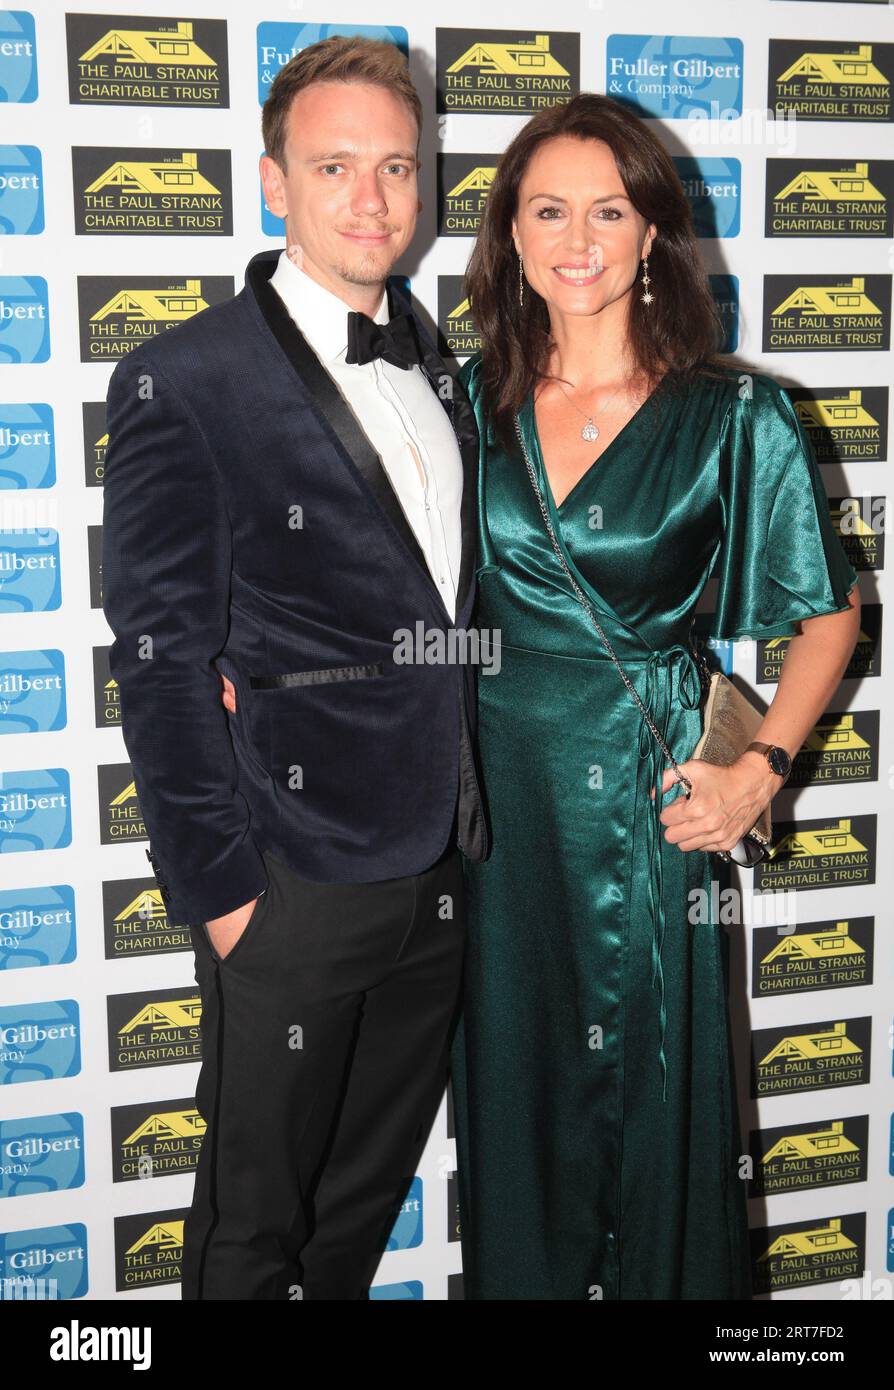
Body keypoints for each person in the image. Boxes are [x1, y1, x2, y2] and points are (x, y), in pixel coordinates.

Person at [449, 93, 861, 1300]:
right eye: (548, 209)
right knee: (515, 1091)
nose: (578, 238)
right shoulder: (464, 401)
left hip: (645, 791)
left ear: (650, 236)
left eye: (608, 210)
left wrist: (760, 766)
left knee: (647, 1097)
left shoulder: (736, 416)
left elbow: (828, 616)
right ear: (512, 237)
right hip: (493, 807)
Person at [101, 36, 487, 1300]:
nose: (372, 199)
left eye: (395, 167)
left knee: (356, 1215)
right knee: (252, 1236)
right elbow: (158, 659)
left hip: (441, 874)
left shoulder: (445, 366)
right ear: (274, 181)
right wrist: (223, 895)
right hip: (293, 878)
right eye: (336, 168)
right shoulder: (190, 376)